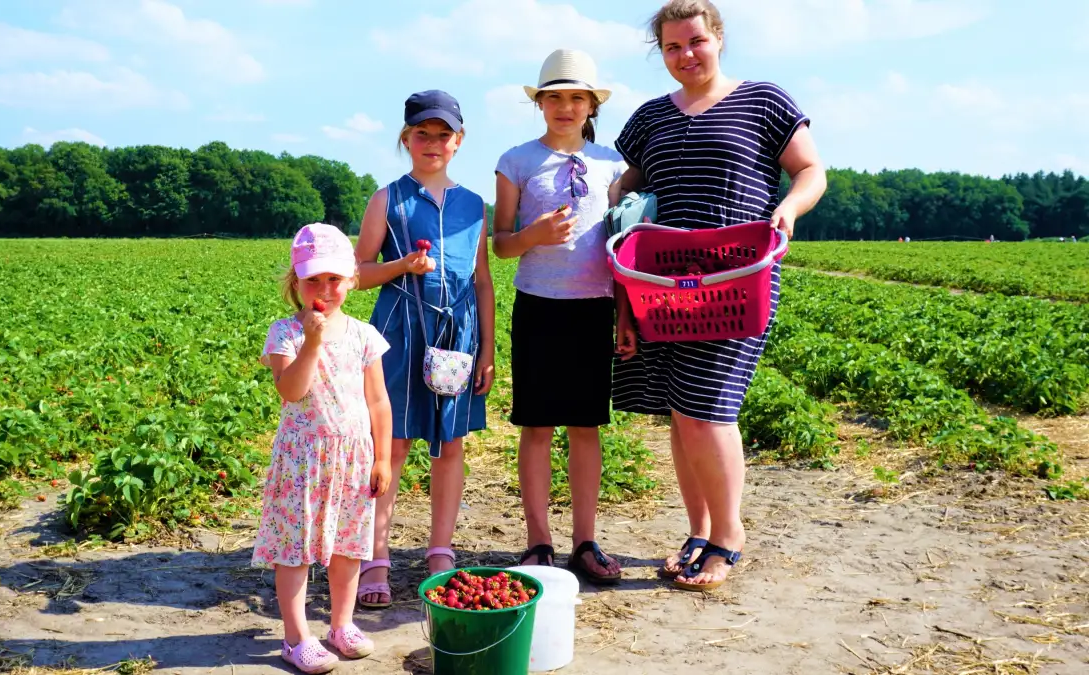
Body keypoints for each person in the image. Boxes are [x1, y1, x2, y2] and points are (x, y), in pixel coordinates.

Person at [611, 0, 826, 592]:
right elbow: (623, 195)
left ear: (719, 39)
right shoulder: (650, 118)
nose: (686, 55)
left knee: (708, 409)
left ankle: (728, 537)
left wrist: (788, 206)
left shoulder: (763, 101)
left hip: (737, 278)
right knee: (681, 416)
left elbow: (811, 171)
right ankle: (699, 528)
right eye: (673, 47)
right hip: (664, 284)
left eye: (696, 42)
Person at [491, 48, 632, 584]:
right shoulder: (516, 161)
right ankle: (538, 542)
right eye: (555, 97)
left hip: (594, 307)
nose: (565, 107)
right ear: (540, 103)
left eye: (577, 98)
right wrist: (534, 236)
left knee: (586, 426)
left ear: (592, 105)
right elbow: (501, 242)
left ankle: (585, 541)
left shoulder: (614, 166)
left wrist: (623, 314)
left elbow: (623, 247)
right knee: (536, 426)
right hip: (539, 306)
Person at [352, 90, 496, 608]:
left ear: (459, 141)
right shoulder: (387, 199)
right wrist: (401, 267)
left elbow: (481, 280)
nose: (432, 143)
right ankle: (375, 556)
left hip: (457, 338)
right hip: (398, 332)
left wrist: (486, 349)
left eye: (443, 135)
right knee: (391, 445)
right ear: (406, 139)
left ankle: (440, 550)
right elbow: (357, 273)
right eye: (422, 134)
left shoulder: (474, 205)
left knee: (451, 443)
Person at [252, 223, 393, 673]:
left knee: (350, 546)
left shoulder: (364, 335)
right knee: (294, 548)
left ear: (352, 279)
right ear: (296, 282)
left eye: (334, 279)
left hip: (353, 457)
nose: (324, 289)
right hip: (302, 461)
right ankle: (296, 638)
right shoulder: (286, 334)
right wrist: (311, 342)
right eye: (314, 279)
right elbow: (292, 391)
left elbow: (378, 400)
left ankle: (341, 625)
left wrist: (383, 456)